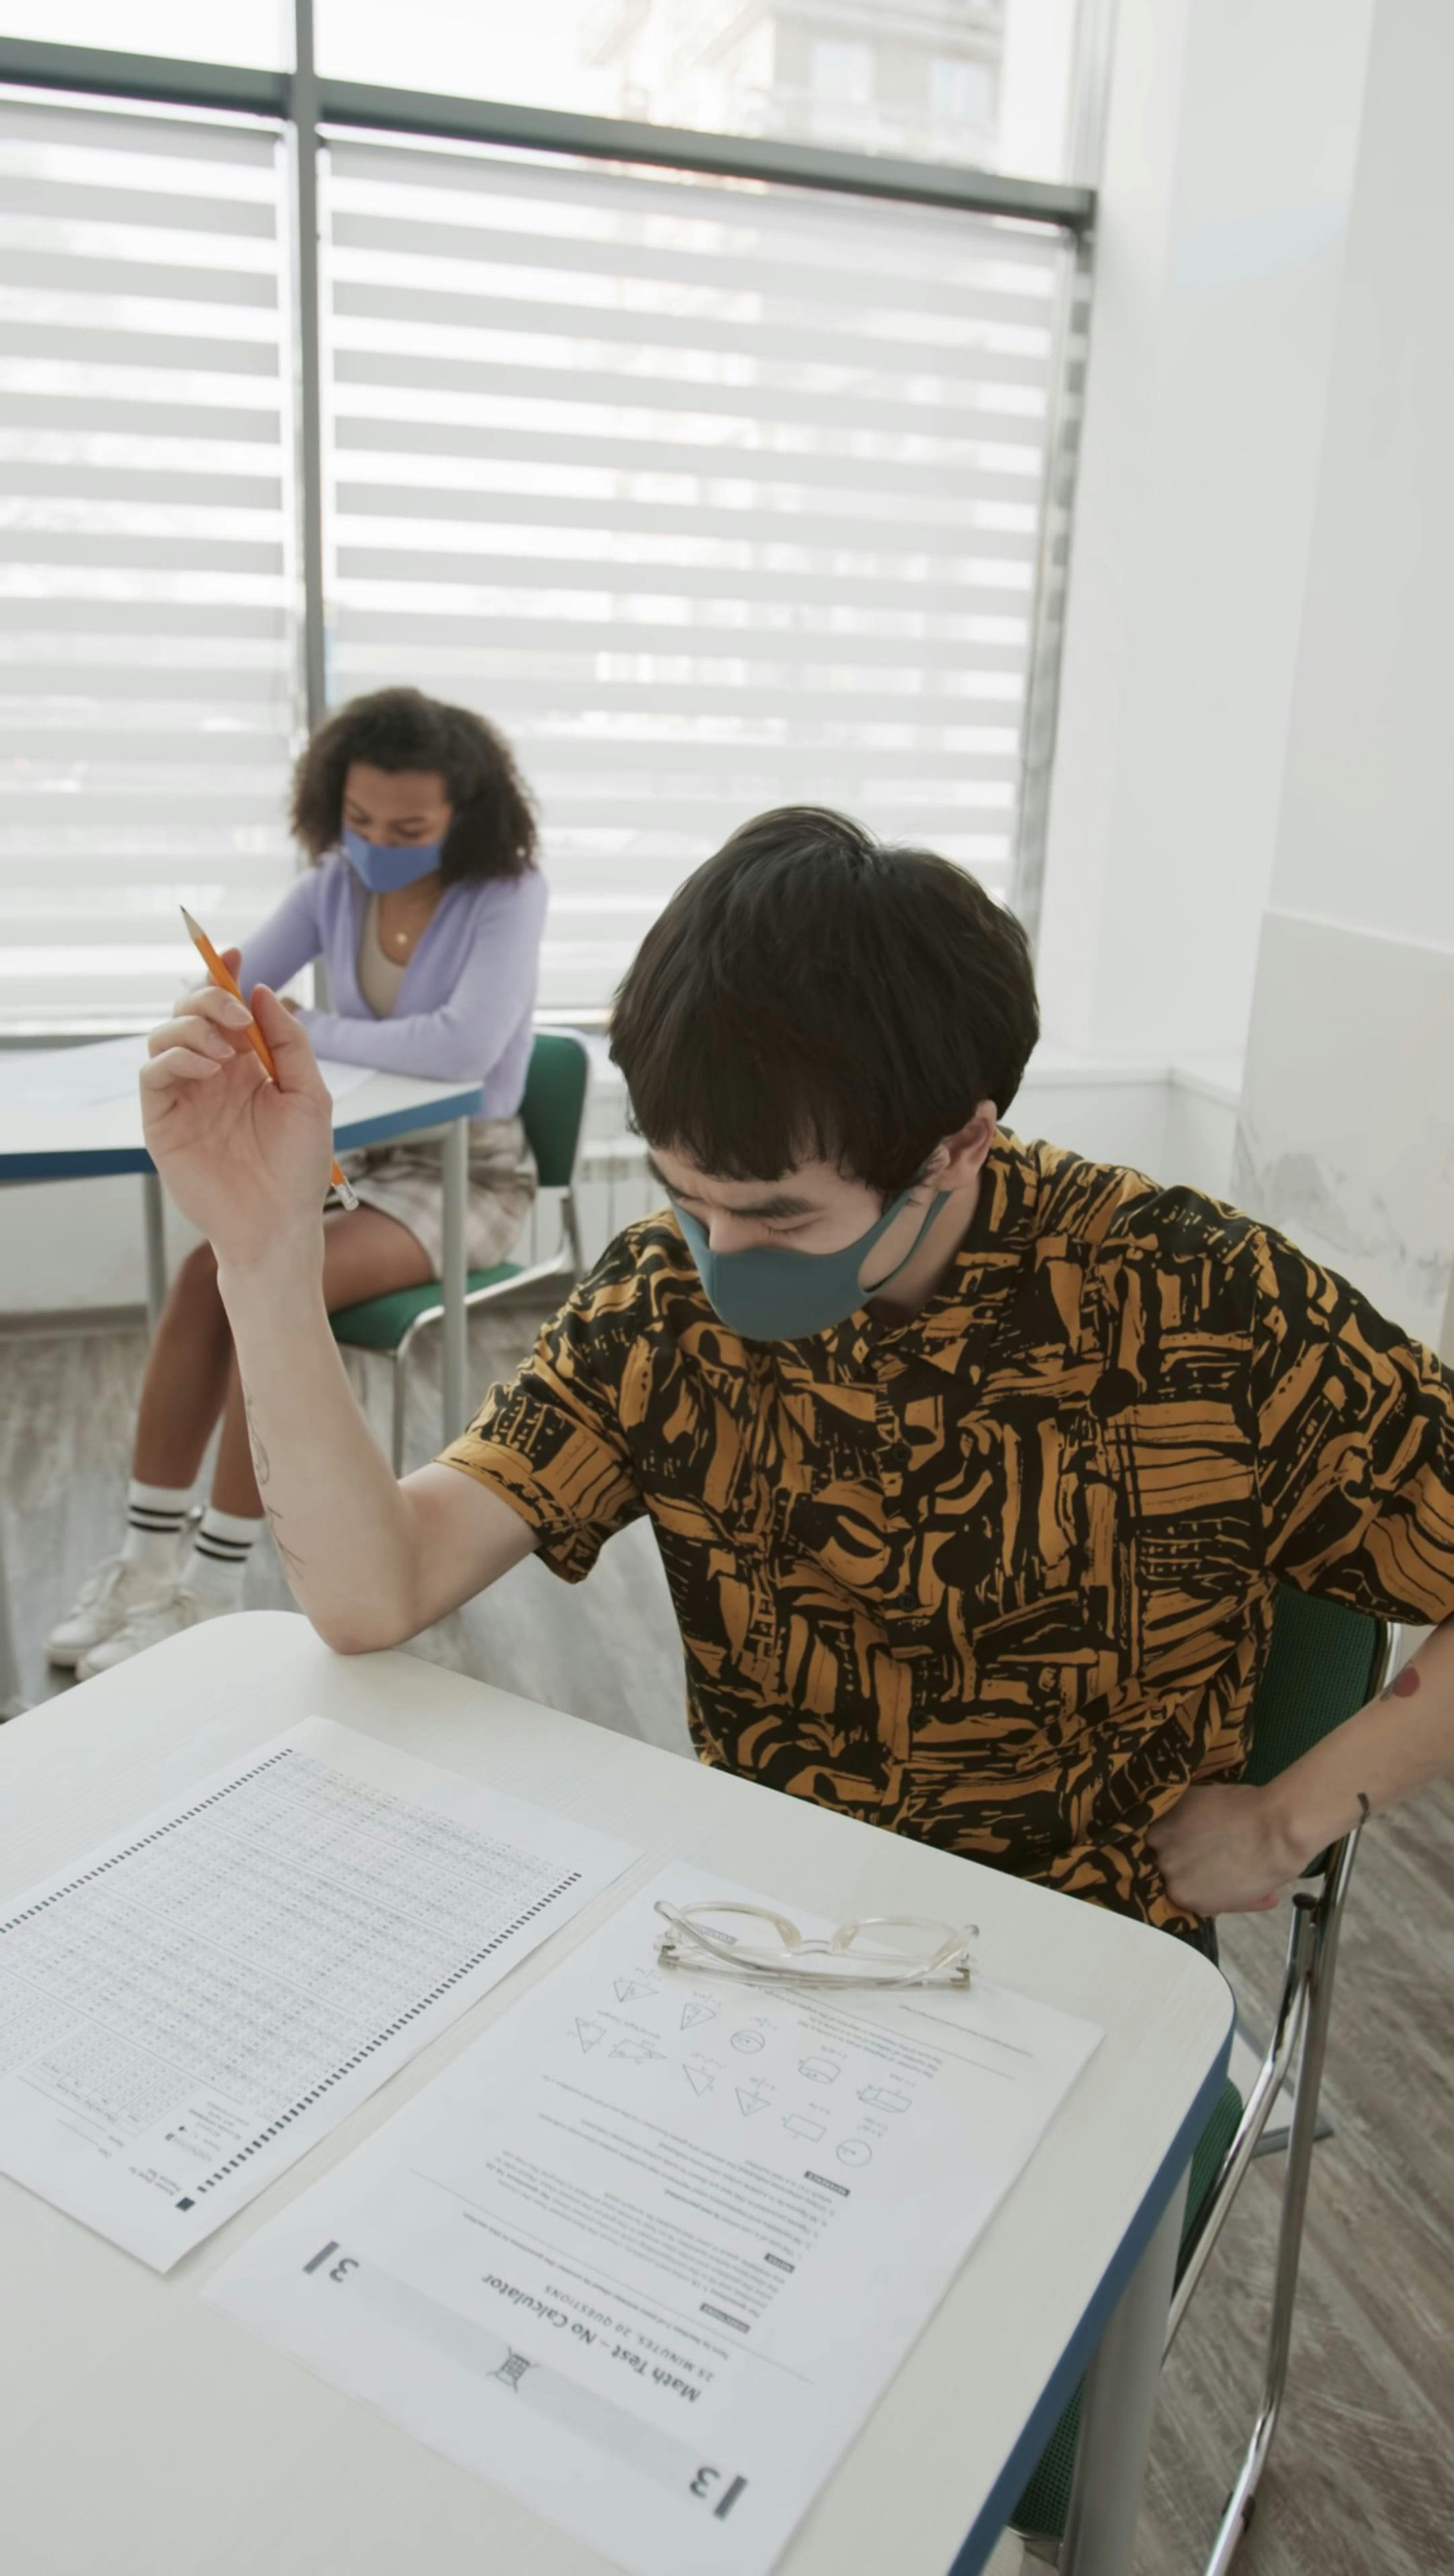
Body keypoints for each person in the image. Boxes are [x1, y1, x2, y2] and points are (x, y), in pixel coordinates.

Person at [134, 806, 1454, 1939]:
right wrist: (265, 1252)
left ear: (959, 1146)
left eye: (777, 1219)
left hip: (1081, 1947)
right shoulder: (660, 1304)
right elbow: (378, 1590)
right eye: (688, 1197)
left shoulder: (1194, 1304)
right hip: (765, 1920)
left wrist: (1286, 1823)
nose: (719, 1256)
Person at [48, 685, 547, 1680]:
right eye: (359, 821)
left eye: (407, 829)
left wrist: (303, 1028)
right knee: (207, 1276)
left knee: (280, 1282)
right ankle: (145, 1567)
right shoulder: (333, 885)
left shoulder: (507, 892)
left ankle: (213, 1585)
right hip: (349, 1154)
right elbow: (225, 994)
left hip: (470, 1171)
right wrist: (220, 1012)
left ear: (467, 815)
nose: (376, 846)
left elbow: (462, 1048)